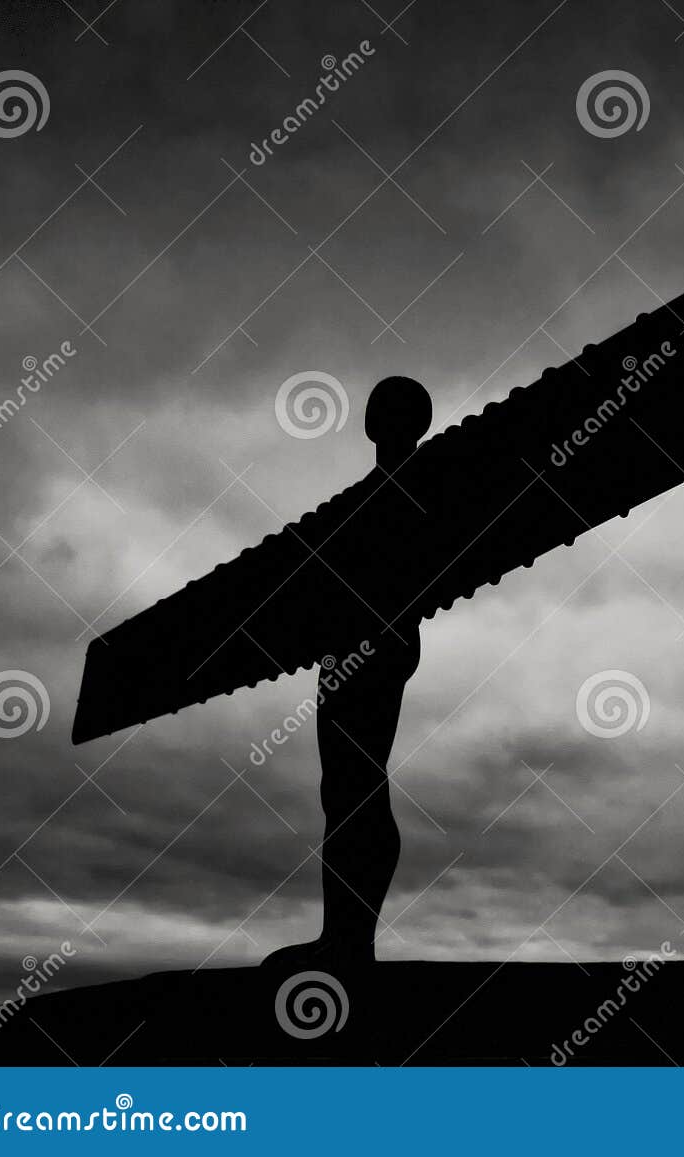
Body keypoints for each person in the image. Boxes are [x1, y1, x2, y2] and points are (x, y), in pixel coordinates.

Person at [263, 377, 431, 968]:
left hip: (377, 646)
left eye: (386, 409)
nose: (377, 418)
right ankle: (343, 935)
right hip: (348, 651)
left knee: (357, 784)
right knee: (343, 788)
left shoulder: (420, 489)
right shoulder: (362, 502)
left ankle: (351, 940)